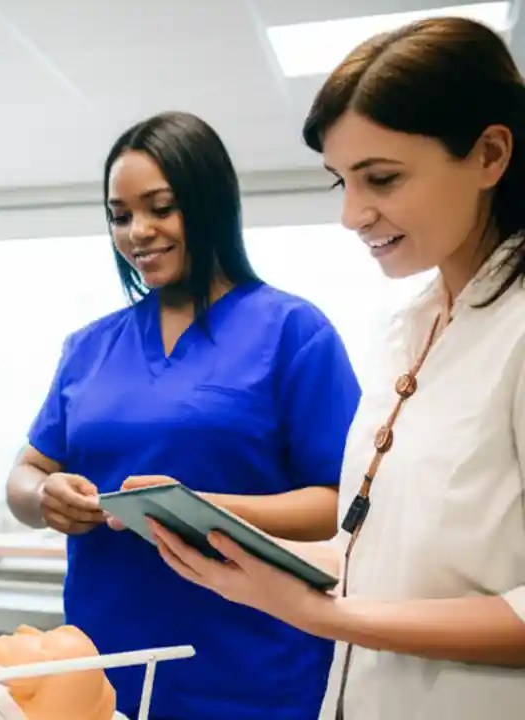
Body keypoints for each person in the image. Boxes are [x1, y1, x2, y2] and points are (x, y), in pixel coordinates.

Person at [147, 17, 525, 720]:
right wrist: (249, 562)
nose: (352, 214)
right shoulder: (408, 329)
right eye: (340, 182)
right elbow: (374, 563)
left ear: (490, 155)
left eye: (381, 178)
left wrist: (321, 615)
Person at [4, 111, 363, 720]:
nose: (137, 231)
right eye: (120, 215)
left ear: (209, 203)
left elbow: (342, 504)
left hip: (248, 667)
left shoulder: (292, 331)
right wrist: (43, 497)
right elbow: (24, 473)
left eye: (160, 207)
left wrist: (196, 509)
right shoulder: (90, 347)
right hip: (99, 666)